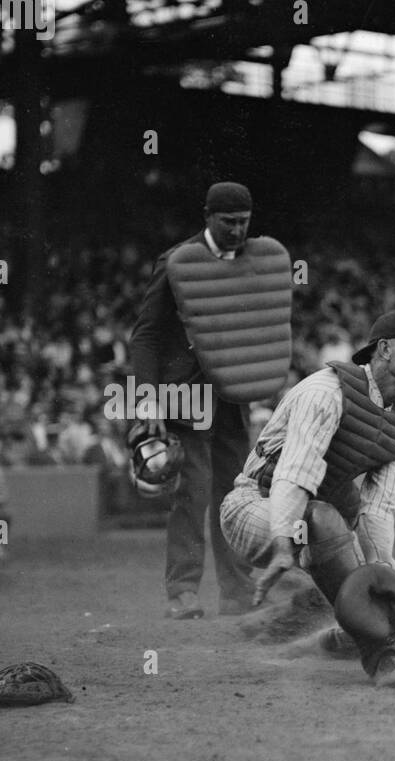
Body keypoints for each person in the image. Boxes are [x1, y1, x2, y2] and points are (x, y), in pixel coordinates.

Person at [219, 310, 395, 688]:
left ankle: (337, 636)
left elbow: (377, 511)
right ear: (383, 349)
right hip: (254, 506)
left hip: (321, 518)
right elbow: (294, 473)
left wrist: (387, 573)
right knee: (319, 520)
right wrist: (284, 542)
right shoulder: (326, 391)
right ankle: (380, 656)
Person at [129, 181, 281, 619]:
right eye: (228, 222)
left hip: (231, 396)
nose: (237, 230)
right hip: (185, 394)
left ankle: (237, 592)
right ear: (208, 217)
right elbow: (147, 335)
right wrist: (148, 400)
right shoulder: (177, 262)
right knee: (192, 493)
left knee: (236, 496)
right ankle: (182, 593)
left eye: (244, 222)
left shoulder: (252, 261)